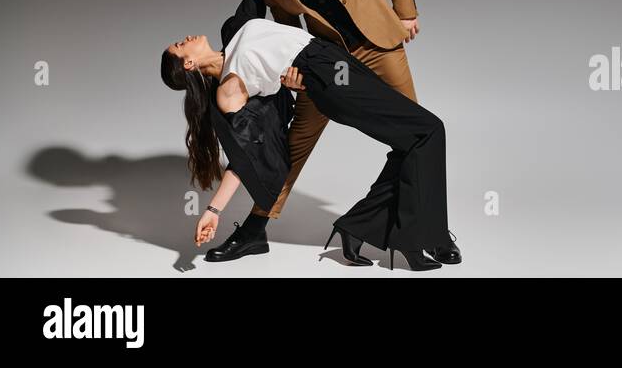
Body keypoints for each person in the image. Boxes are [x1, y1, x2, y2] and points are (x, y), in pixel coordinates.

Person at [219, 0, 462, 267]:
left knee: (416, 135)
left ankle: (431, 230)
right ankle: (254, 229)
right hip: (328, 64)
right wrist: (291, 75)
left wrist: (405, 11)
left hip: (377, 43)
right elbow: (286, 34)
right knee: (293, 144)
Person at [160, 18, 456, 271]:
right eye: (180, 45)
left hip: (332, 58)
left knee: (412, 143)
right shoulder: (229, 89)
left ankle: (360, 227)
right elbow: (245, 154)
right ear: (188, 64)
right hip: (329, 80)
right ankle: (414, 239)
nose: (185, 38)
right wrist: (214, 210)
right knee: (428, 131)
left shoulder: (234, 31)